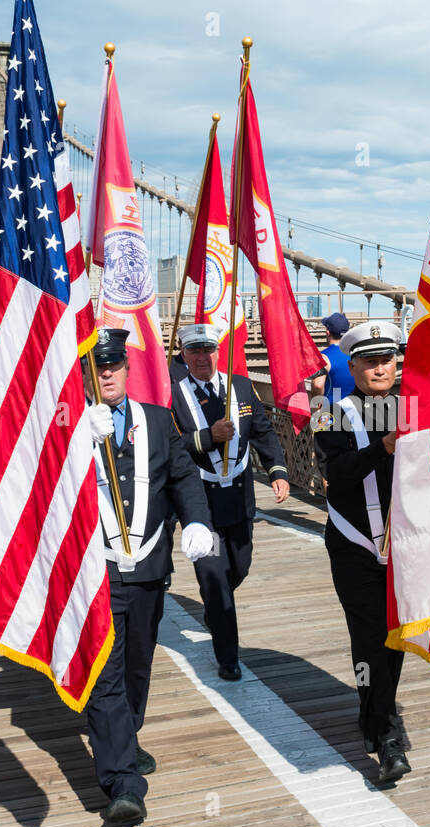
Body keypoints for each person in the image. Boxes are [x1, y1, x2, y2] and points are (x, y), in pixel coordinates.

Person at [83, 328, 213, 823]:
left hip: (149, 567)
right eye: (99, 366)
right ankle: (122, 782)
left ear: (128, 368)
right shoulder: (69, 425)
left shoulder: (157, 422)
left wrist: (197, 519)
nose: (108, 372)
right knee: (104, 671)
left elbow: (181, 477)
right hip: (95, 571)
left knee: (137, 663)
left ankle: (125, 736)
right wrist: (74, 442)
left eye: (114, 364)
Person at [313, 320, 410, 784]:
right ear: (351, 366)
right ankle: (389, 739)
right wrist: (384, 446)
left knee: (397, 638)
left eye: (387, 359)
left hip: (408, 547)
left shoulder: (417, 407)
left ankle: (374, 710)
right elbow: (341, 472)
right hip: (354, 544)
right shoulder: (326, 412)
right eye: (370, 361)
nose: (380, 367)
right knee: (369, 638)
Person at [169, 323, 292, 681]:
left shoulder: (240, 387)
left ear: (216, 353)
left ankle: (216, 609)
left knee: (240, 566)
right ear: (185, 356)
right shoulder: (173, 395)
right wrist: (208, 437)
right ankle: (228, 657)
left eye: (207, 351)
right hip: (199, 502)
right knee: (215, 582)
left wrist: (277, 469)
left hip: (239, 498)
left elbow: (264, 430)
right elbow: (172, 446)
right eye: (194, 352)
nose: (202, 358)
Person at [310, 311, 354, 405]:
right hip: (355, 410)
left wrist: (316, 404)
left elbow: (318, 385)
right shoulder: (356, 354)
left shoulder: (323, 357)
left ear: (328, 332)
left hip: (331, 412)